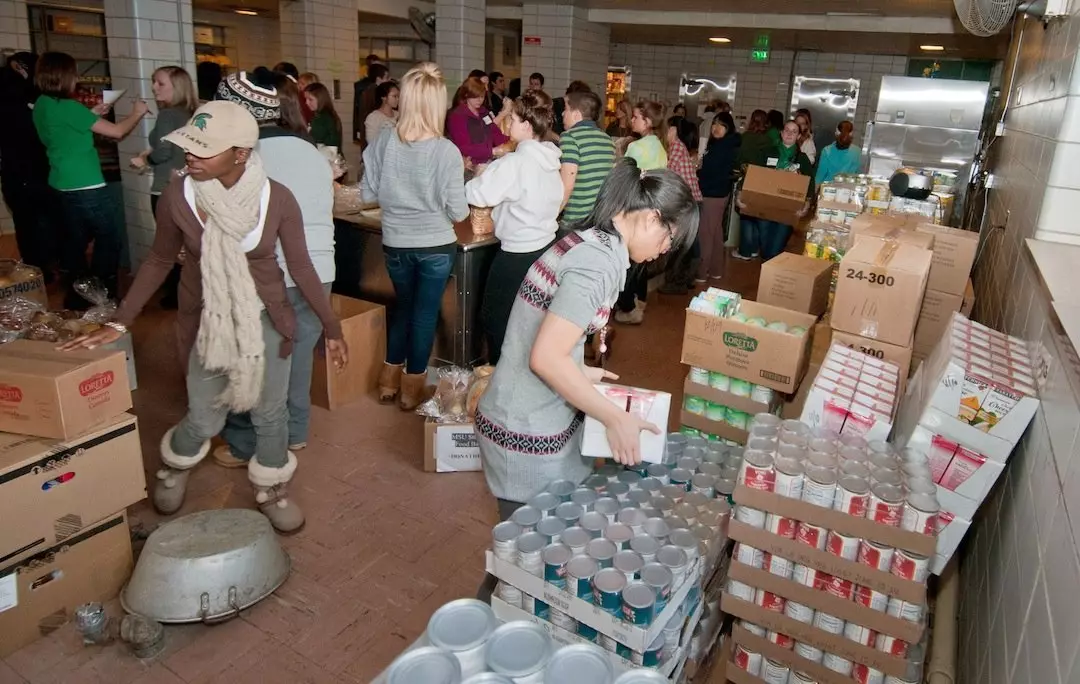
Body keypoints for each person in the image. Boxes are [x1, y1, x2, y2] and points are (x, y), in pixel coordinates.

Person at [60, 100, 347, 533]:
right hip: (209, 320)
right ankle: (173, 467)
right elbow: (158, 260)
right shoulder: (180, 195)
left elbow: (302, 267)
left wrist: (331, 327)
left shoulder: (276, 198)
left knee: (272, 414)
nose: (189, 155)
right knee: (205, 415)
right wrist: (120, 321)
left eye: (202, 149)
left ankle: (271, 488)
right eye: (188, 146)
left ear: (241, 154)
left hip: (266, 318)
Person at [475, 160, 698, 518]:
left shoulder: (595, 242)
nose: (664, 251)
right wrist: (615, 418)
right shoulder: (597, 263)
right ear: (652, 217)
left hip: (535, 412)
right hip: (524, 424)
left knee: (534, 553)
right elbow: (546, 358)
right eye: (670, 240)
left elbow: (547, 336)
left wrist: (579, 369)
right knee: (530, 556)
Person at [208, 70, 337, 469]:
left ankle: (246, 443)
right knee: (297, 357)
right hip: (319, 270)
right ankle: (295, 432)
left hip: (270, 273)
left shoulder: (244, 156)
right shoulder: (312, 151)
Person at [363, 63, 469, 410]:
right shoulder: (446, 151)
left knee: (403, 309)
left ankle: (388, 382)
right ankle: (411, 390)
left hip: (395, 242)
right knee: (424, 315)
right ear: (437, 105)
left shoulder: (383, 142)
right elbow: (459, 212)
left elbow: (368, 192)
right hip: (435, 245)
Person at [32, 51, 149, 307]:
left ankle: (80, 295)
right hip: (86, 184)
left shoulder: (42, 103)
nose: (76, 78)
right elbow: (117, 132)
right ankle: (102, 293)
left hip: (61, 182)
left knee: (75, 240)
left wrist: (93, 113)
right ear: (63, 76)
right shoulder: (69, 107)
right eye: (74, 74)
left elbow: (65, 131)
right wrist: (138, 112)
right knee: (110, 237)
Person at [466, 90, 562, 364]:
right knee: (530, 324)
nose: (508, 123)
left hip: (515, 256)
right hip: (544, 251)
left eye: (514, 118)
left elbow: (477, 195)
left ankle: (501, 381)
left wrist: (477, 178)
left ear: (527, 126)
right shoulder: (550, 160)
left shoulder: (516, 162)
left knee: (496, 321)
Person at [128, 65, 197, 309]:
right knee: (186, 242)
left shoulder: (168, 115)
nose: (154, 87)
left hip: (166, 188)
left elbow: (166, 150)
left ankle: (177, 295)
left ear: (176, 87)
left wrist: (144, 159)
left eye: (160, 83)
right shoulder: (191, 112)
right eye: (154, 82)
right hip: (187, 185)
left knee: (169, 244)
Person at [0, 52, 54, 278]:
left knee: (25, 223)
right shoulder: (29, 95)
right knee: (43, 220)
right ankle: (46, 268)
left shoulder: (6, 91)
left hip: (13, 171)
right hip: (34, 169)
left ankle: (36, 270)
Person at [614, 100, 668, 325]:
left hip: (633, 208)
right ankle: (641, 301)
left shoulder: (636, 148)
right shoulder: (661, 148)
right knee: (642, 261)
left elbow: (623, 178)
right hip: (652, 209)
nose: (632, 120)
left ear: (646, 121)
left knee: (626, 260)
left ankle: (627, 307)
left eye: (636, 117)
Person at [737, 120, 813, 261]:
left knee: (775, 249)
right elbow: (752, 174)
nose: (790, 133)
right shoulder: (767, 152)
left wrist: (807, 204)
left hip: (788, 210)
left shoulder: (802, 159)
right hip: (765, 208)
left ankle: (770, 273)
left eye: (794, 131)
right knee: (766, 247)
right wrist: (741, 193)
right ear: (782, 133)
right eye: (787, 130)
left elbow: (810, 183)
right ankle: (768, 270)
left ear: (798, 137)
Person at [559, 90, 616, 232]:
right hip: (599, 220)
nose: (562, 114)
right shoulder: (607, 139)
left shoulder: (569, 137)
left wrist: (553, 213)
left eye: (565, 109)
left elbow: (567, 184)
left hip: (575, 219)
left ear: (576, 114)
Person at [658, 116, 702, 293]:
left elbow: (668, 174)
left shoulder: (676, 148)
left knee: (680, 244)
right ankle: (687, 279)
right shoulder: (680, 147)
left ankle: (676, 284)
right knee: (689, 243)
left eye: (667, 129)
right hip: (694, 200)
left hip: (687, 202)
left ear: (674, 130)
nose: (665, 133)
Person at [695, 111, 740, 282]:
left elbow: (713, 173)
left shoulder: (722, 147)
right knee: (715, 233)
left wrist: (699, 175)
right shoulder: (723, 144)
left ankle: (701, 273)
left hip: (712, 194)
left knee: (705, 234)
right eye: (714, 124)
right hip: (719, 193)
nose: (716, 128)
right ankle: (716, 270)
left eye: (721, 125)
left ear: (728, 128)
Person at [733, 109, 776, 262]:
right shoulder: (769, 141)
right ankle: (754, 250)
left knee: (746, 216)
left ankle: (745, 251)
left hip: (747, 180)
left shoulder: (745, 138)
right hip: (764, 182)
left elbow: (738, 160)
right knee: (758, 214)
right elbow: (772, 163)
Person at [446, 76, 509, 166]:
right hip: (469, 165)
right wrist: (491, 151)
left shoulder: (484, 112)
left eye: (482, 96)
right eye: (475, 96)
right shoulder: (457, 116)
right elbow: (463, 147)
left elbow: (495, 133)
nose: (479, 100)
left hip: (487, 161)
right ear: (466, 95)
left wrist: (513, 141)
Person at [353, 59, 389, 142]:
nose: (388, 80)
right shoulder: (373, 92)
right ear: (378, 79)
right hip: (374, 131)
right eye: (386, 77)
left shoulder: (365, 89)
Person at [816, 120, 861, 185]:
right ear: (851, 134)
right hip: (848, 190)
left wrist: (814, 191)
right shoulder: (857, 151)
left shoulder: (826, 151)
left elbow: (820, 176)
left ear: (836, 133)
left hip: (828, 191)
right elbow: (857, 175)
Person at [303, 82, 342, 148]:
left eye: (310, 99)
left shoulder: (321, 118)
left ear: (320, 99)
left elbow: (311, 140)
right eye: (306, 99)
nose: (306, 102)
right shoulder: (330, 114)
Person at [364, 80, 399, 146]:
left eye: (398, 96)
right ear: (383, 97)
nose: (398, 99)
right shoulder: (373, 117)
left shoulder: (399, 115)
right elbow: (372, 143)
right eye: (394, 96)